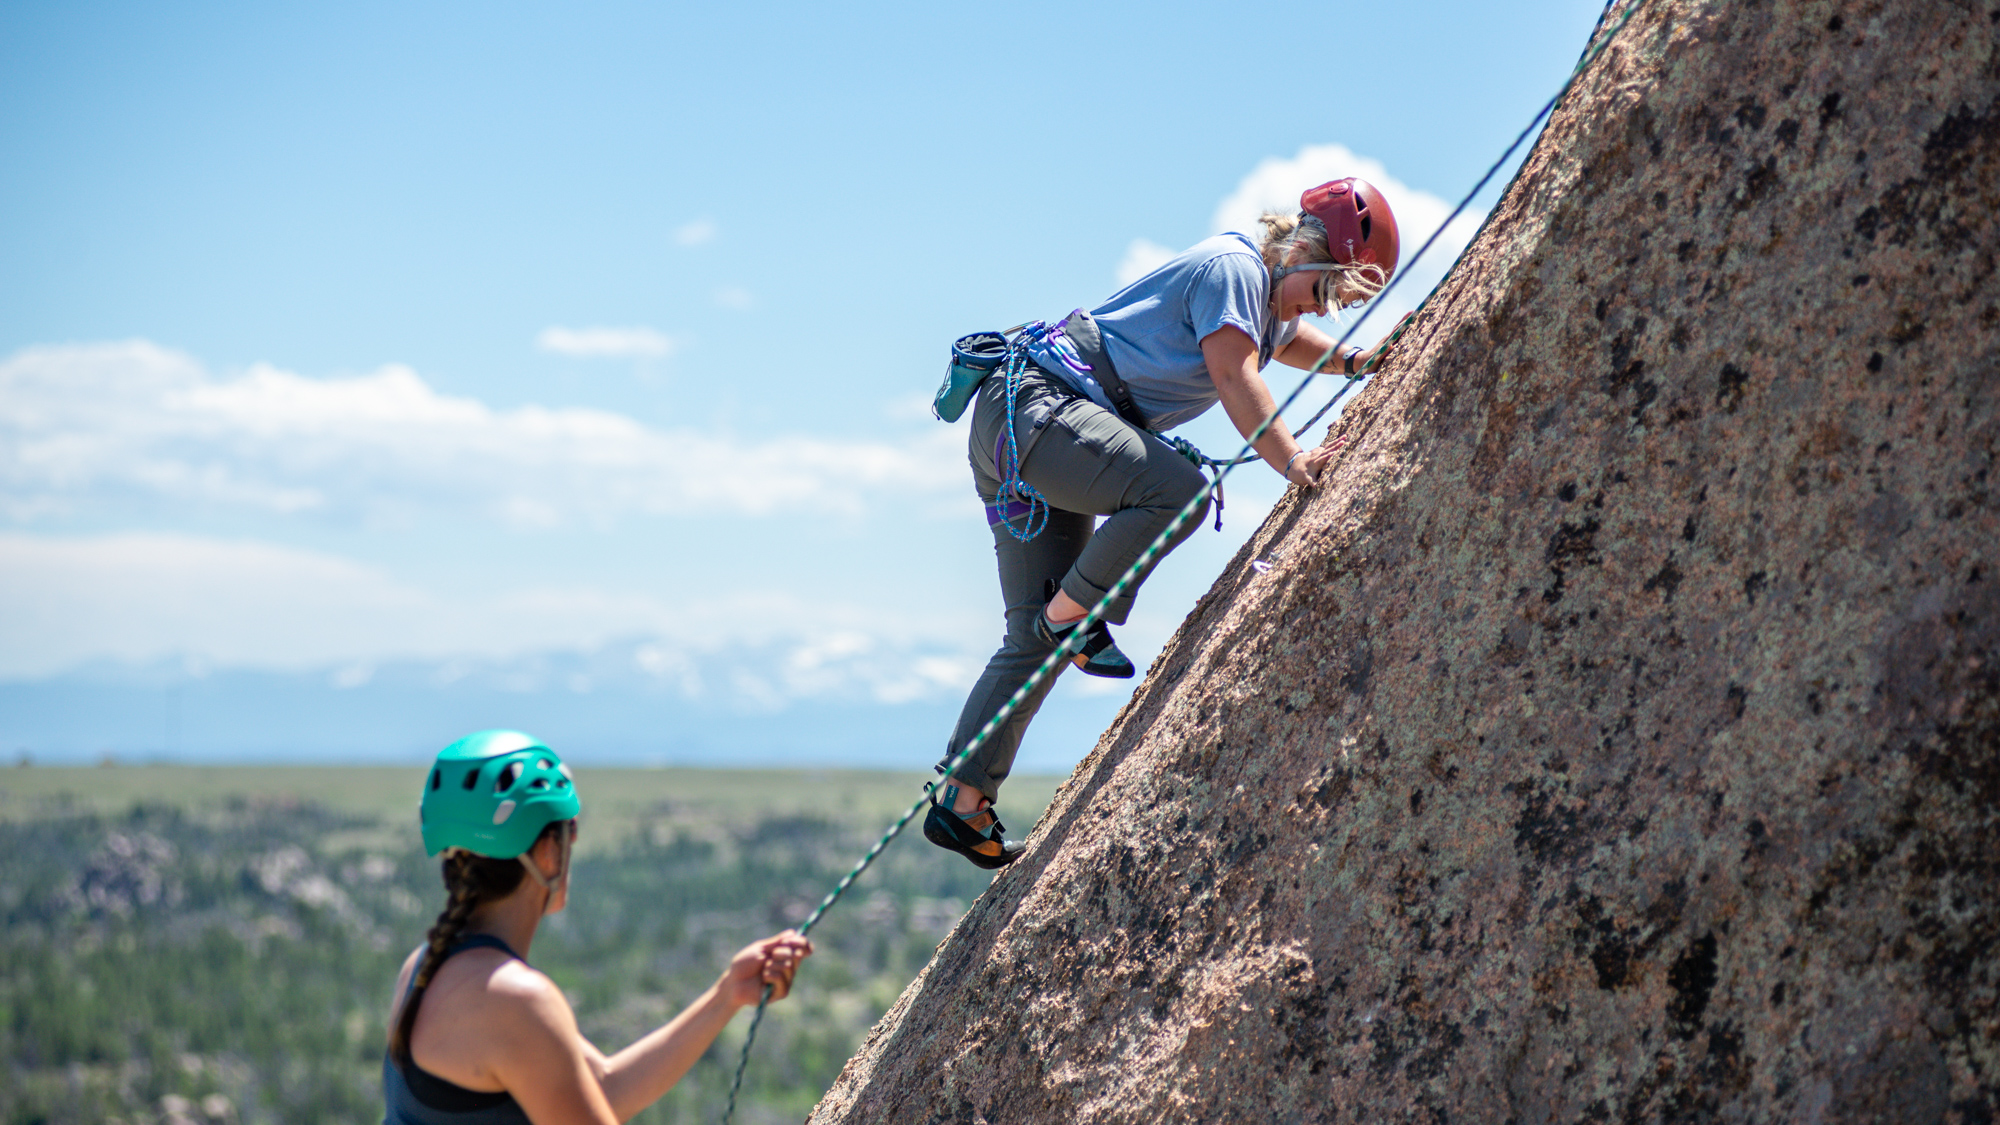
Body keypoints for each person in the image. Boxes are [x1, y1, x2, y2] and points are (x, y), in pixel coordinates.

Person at [925, 178, 1411, 869]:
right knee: (1177, 491)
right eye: (1328, 289)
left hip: (1026, 427)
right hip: (1044, 412)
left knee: (1030, 635)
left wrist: (1354, 362)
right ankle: (1073, 618)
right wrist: (1294, 458)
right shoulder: (1236, 269)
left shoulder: (1261, 297)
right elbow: (1235, 371)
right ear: (1305, 246)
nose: (1325, 308)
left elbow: (1283, 340)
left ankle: (960, 799)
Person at [383, 730, 812, 1125]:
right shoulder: (516, 1003)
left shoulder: (423, 966)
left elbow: (601, 1087)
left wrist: (726, 996)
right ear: (549, 851)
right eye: (570, 830)